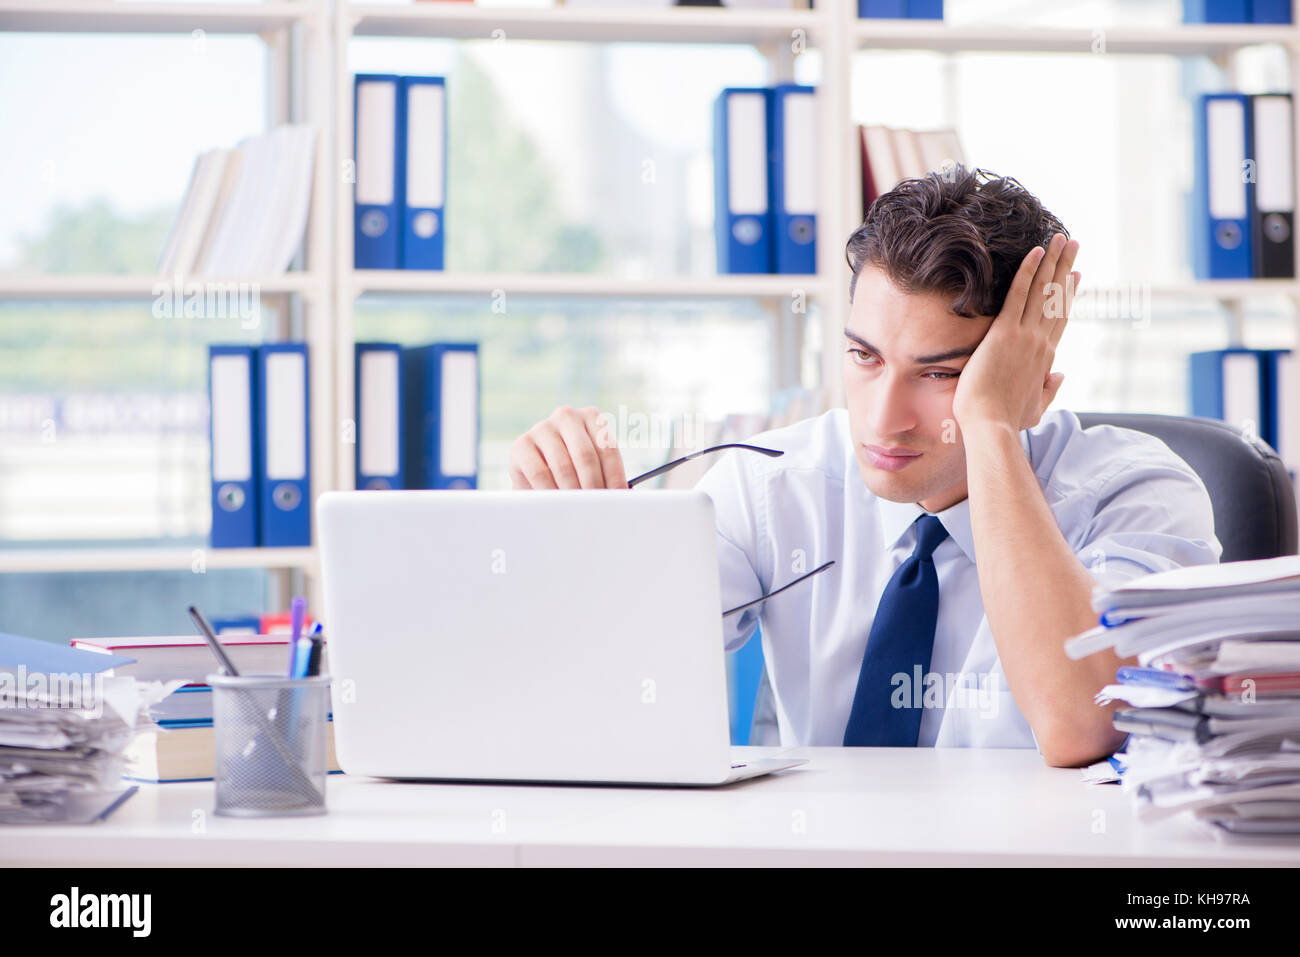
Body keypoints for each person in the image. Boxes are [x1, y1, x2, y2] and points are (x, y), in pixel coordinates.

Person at [508, 165, 1220, 768]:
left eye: (940, 374)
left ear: (1031, 378)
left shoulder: (1138, 494)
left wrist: (992, 427)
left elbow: (1082, 725)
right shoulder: (772, 486)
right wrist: (573, 542)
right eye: (864, 356)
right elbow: (595, 678)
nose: (883, 419)